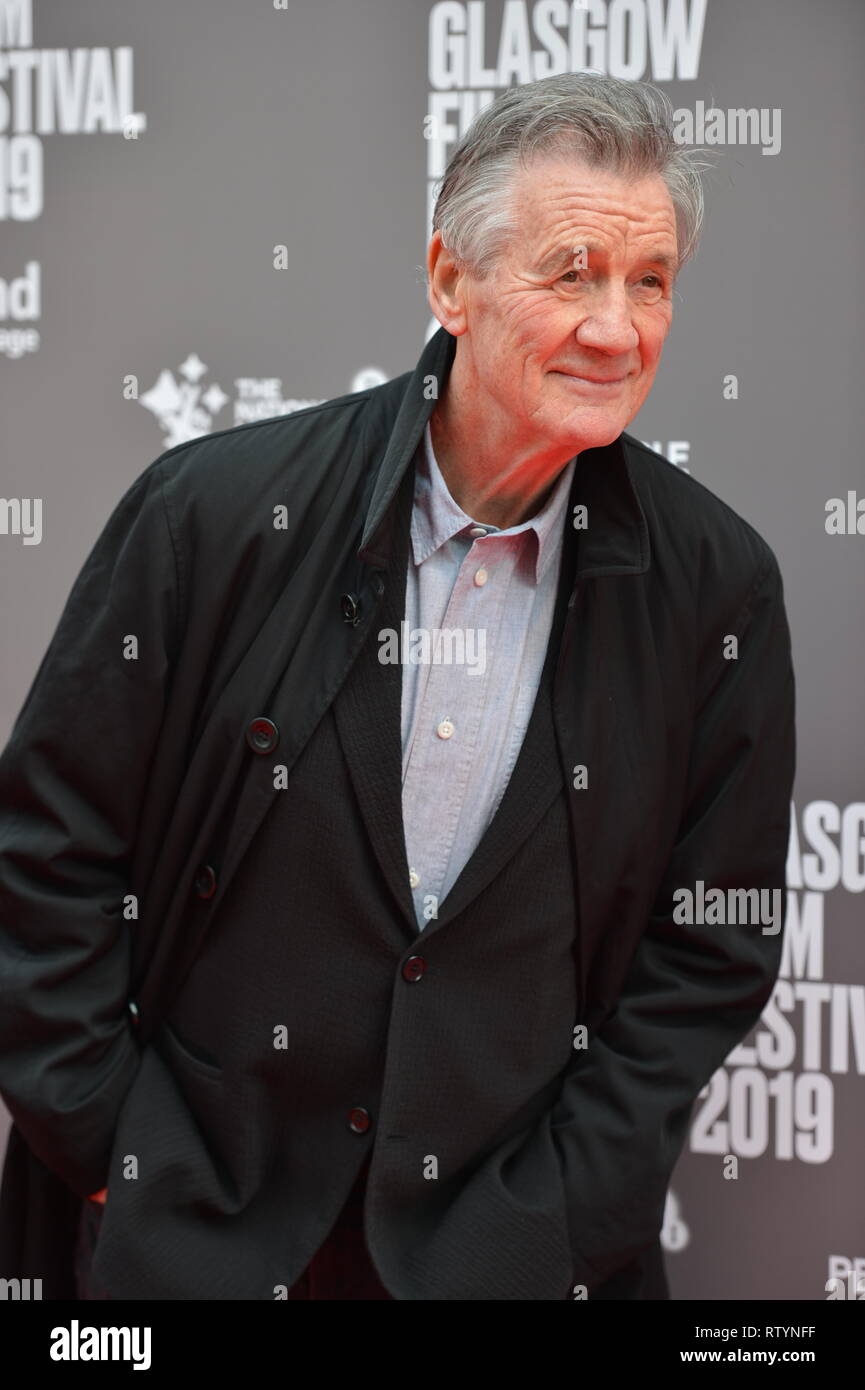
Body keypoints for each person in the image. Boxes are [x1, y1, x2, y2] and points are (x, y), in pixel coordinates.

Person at [0, 71, 795, 1301]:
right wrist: (109, 1141)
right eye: (570, 271)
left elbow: (710, 948)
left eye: (649, 282)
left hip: (506, 1259)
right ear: (447, 281)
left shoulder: (714, 588)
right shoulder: (215, 515)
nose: (617, 328)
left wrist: (568, 1216)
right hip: (192, 1242)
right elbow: (48, 844)